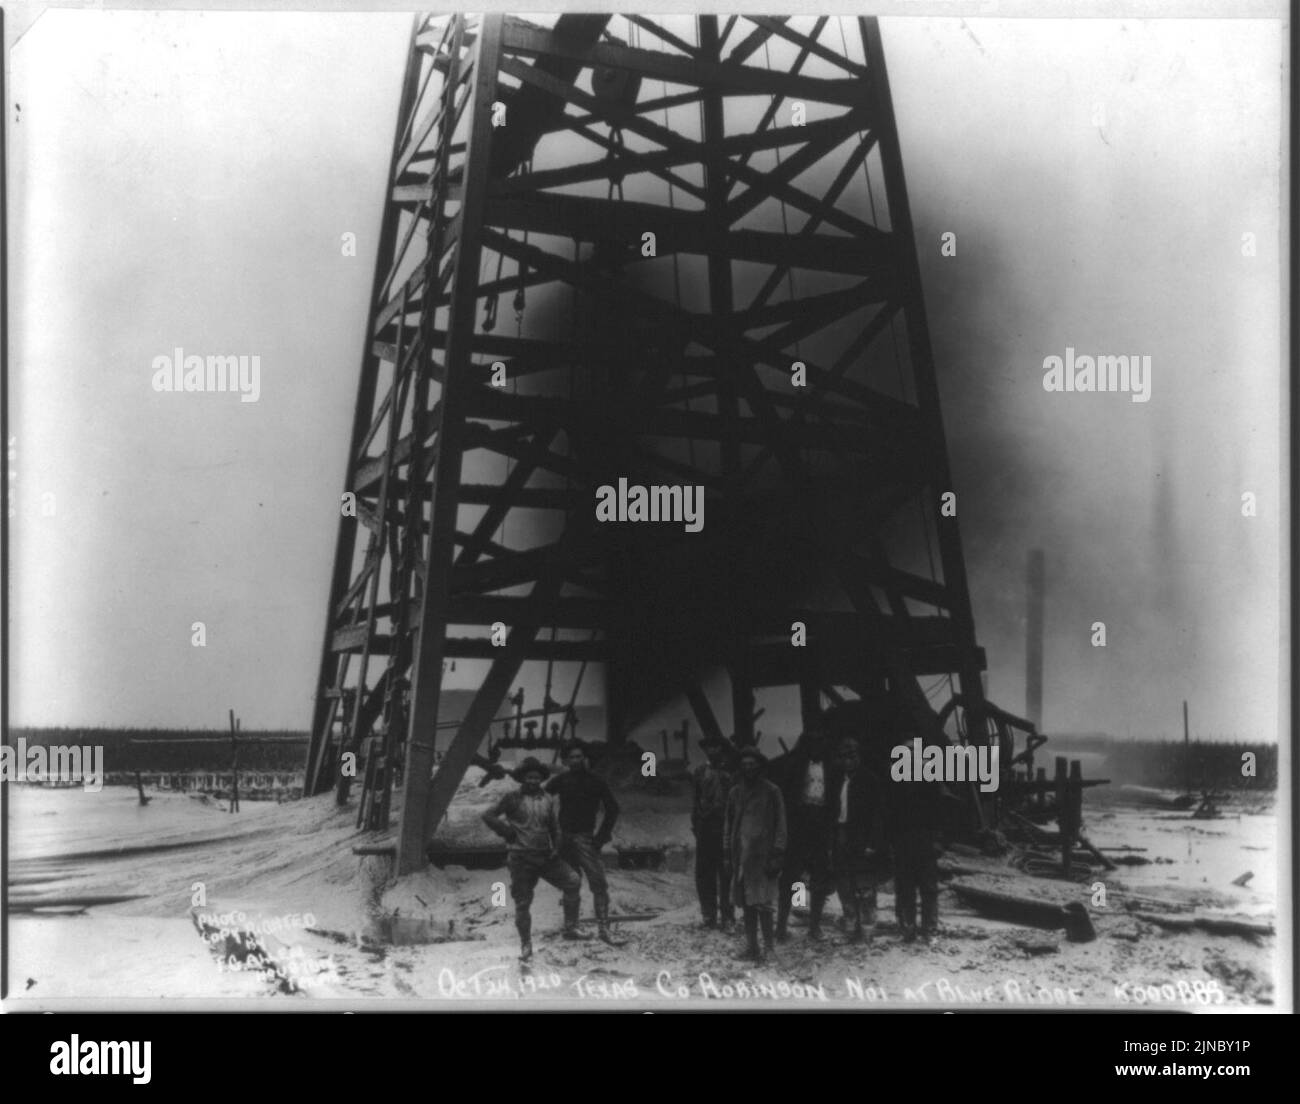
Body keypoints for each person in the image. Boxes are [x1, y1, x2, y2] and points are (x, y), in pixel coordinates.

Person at [482, 756, 585, 961]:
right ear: (521, 779)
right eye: (529, 777)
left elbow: (555, 827)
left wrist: (556, 847)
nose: (533, 781)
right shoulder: (512, 798)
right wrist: (506, 831)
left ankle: (571, 927)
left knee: (573, 881)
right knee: (523, 903)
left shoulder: (548, 798)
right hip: (521, 858)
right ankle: (526, 944)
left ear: (541, 779)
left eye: (537, 778)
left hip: (545, 856)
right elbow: (488, 815)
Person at [545, 740, 621, 944]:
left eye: (580, 756)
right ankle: (571, 928)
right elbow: (541, 799)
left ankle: (604, 929)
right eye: (572, 757)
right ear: (565, 760)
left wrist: (601, 837)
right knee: (571, 883)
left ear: (584, 758)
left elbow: (613, 809)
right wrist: (550, 831)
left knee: (598, 883)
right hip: (564, 838)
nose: (576, 760)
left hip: (585, 838)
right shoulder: (561, 780)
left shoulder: (596, 781)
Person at [723, 746, 787, 962]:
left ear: (760, 766)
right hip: (742, 856)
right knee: (748, 903)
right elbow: (728, 823)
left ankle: (769, 948)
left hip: (764, 855)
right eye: (745, 765)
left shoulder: (772, 791)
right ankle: (752, 947)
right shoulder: (735, 792)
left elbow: (781, 825)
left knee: (764, 903)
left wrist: (778, 852)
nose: (748, 768)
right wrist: (726, 851)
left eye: (753, 764)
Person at [772, 725, 834, 942]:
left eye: (820, 743)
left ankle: (814, 926)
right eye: (812, 743)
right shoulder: (794, 765)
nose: (816, 747)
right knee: (792, 875)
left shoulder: (831, 767)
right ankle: (781, 925)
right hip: (798, 824)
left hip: (821, 825)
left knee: (819, 876)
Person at [828, 735, 889, 943]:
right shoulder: (837, 781)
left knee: (865, 886)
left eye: (852, 756)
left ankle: (867, 932)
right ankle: (850, 929)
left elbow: (878, 815)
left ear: (859, 757)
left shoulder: (870, 780)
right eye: (844, 757)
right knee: (845, 884)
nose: (848, 761)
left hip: (862, 837)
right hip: (841, 835)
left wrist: (873, 843)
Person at [888, 731, 943, 944]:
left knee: (928, 888)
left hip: (926, 842)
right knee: (904, 888)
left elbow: (940, 813)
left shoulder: (930, 781)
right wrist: (890, 842)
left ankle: (929, 930)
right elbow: (890, 815)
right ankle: (907, 929)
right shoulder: (895, 783)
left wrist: (938, 840)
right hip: (903, 842)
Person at [691, 735, 735, 931]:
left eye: (716, 747)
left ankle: (728, 916)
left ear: (722, 749)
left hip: (725, 828)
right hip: (706, 828)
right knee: (704, 873)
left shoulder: (730, 773)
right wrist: (697, 825)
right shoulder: (700, 772)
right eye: (709, 747)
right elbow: (695, 801)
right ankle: (708, 916)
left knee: (726, 873)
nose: (712, 751)